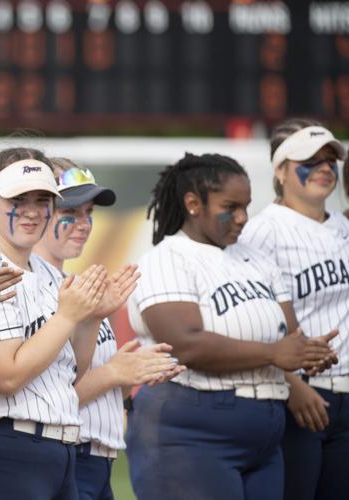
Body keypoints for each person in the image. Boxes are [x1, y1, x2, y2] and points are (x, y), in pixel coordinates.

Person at [125, 153, 338, 500]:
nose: (242, 218)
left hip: (265, 431)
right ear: (193, 203)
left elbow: (288, 333)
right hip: (191, 429)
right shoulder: (166, 259)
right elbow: (185, 345)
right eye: (230, 206)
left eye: (246, 206)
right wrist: (275, 353)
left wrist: (307, 352)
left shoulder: (254, 258)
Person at [0, 147, 126, 500]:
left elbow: (74, 372)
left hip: (57, 448)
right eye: (19, 199)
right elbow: (5, 377)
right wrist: (67, 317)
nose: (32, 211)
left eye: (43, 199)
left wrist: (89, 317)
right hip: (3, 444)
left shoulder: (49, 273)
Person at [34, 157, 184, 500]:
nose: (84, 224)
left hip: (98, 455)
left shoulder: (72, 284)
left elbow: (75, 384)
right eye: (70, 212)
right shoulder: (31, 287)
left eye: (89, 213)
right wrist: (115, 373)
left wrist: (131, 374)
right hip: (69, 454)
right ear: (39, 211)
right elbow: (41, 398)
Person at [239, 119, 348, 500]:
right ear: (281, 171)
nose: (323, 168)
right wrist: (292, 384)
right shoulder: (261, 232)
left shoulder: (344, 229)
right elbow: (252, 320)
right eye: (310, 160)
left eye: (330, 160)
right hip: (299, 397)